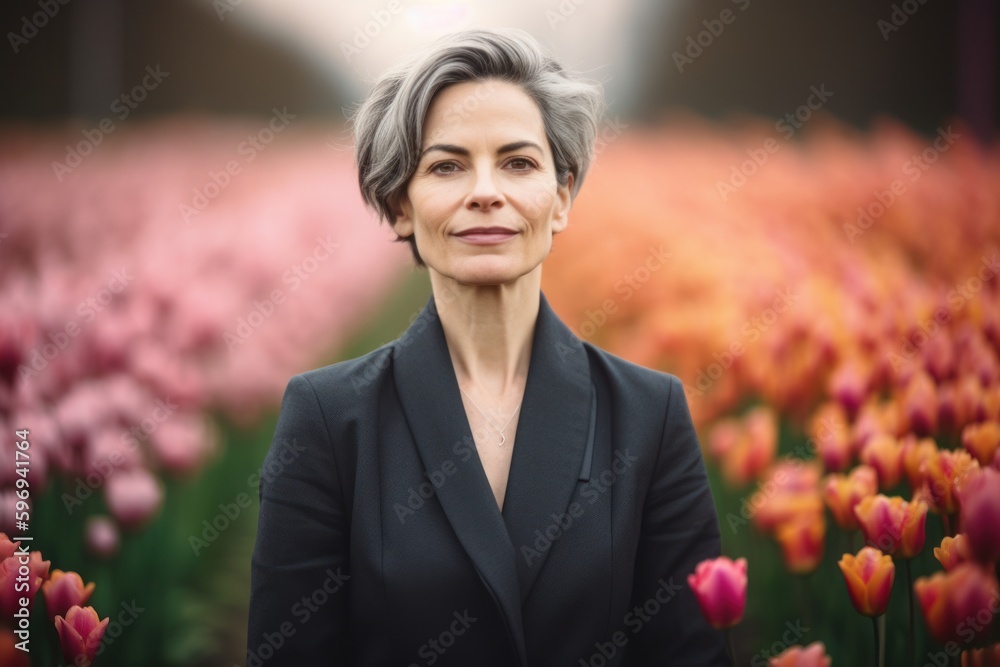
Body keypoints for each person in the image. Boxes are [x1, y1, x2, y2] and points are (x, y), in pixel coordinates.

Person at [246, 26, 731, 666]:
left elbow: (689, 655)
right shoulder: (329, 418)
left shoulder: (649, 415)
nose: (485, 191)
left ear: (560, 199)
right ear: (399, 206)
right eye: (447, 165)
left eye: (518, 162)